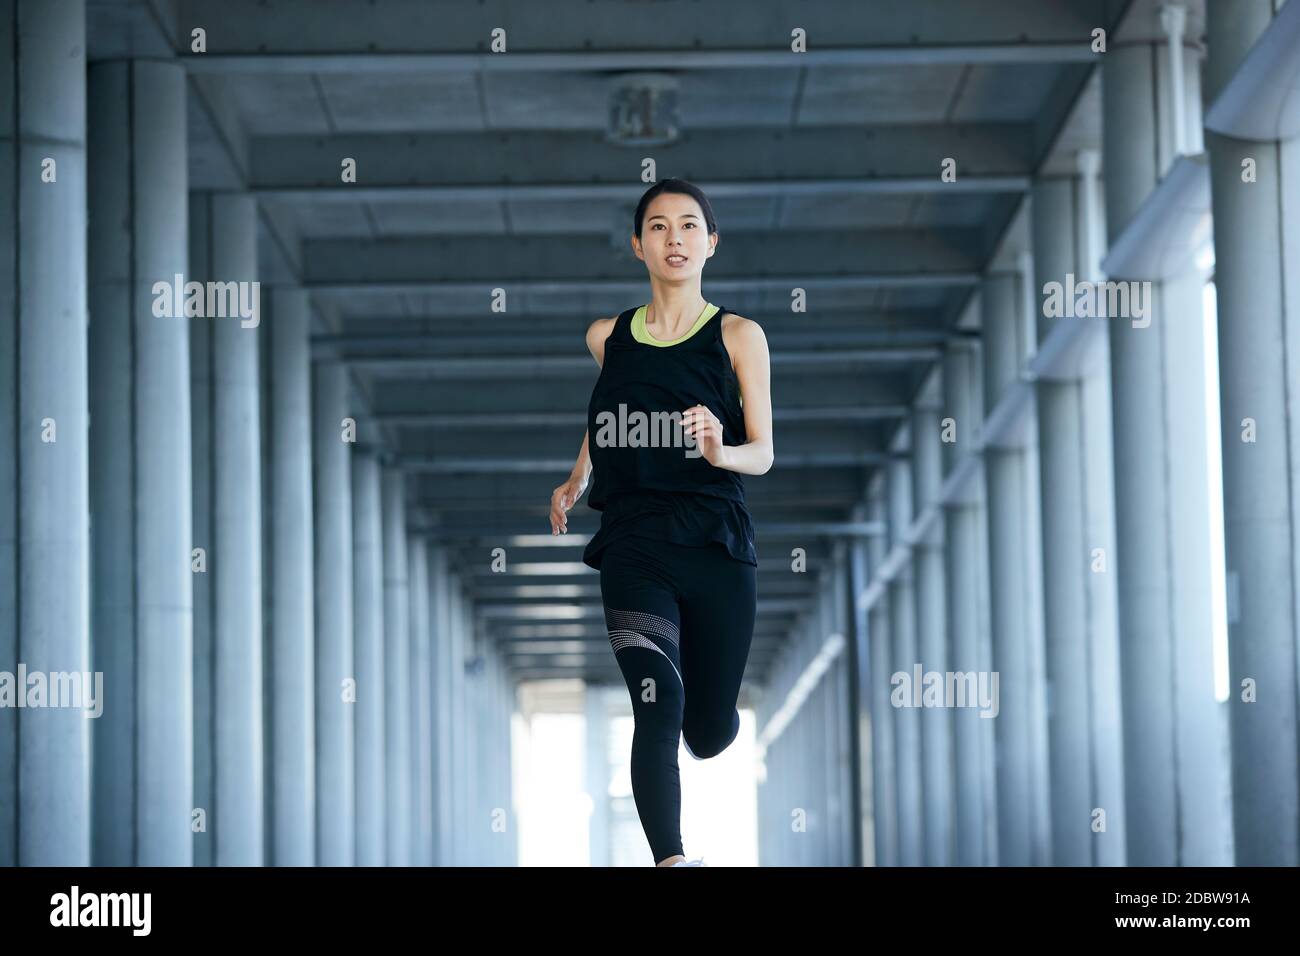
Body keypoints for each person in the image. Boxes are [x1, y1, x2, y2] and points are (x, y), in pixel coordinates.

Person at [548, 178, 774, 867]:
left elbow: (762, 453)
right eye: (658, 227)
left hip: (714, 542)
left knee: (705, 731)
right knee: (658, 695)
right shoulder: (606, 336)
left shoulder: (738, 336)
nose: (674, 239)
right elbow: (611, 414)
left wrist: (718, 448)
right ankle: (672, 860)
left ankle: (717, 723)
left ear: (711, 243)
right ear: (637, 245)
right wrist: (577, 476)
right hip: (634, 540)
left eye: (688, 226)